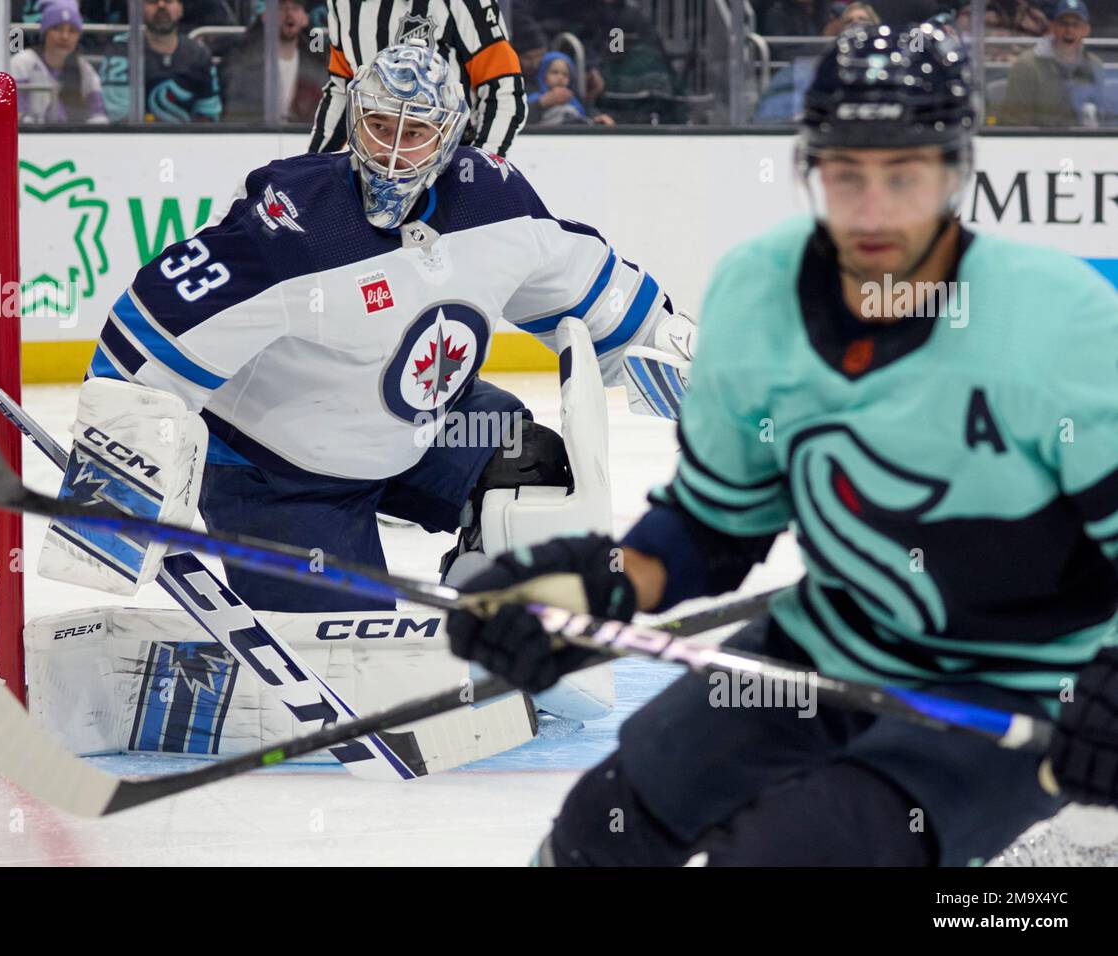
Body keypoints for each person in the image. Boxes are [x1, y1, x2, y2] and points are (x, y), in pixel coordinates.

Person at [446, 21, 1118, 865]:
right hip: (832, 641)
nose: (871, 211)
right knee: (600, 829)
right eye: (846, 174)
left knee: (789, 853)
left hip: (1013, 688)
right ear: (813, 171)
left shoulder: (1059, 325)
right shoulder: (758, 294)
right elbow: (712, 531)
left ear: (955, 175)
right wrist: (592, 590)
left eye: (903, 175)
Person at [50, 40, 692, 696]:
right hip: (277, 476)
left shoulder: (492, 199)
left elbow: (592, 289)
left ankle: (490, 611)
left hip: (420, 434)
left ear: (449, 138)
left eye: (414, 132)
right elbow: (150, 328)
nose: (391, 152)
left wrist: (684, 361)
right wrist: (119, 478)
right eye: (379, 125)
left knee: (530, 467)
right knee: (356, 675)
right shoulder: (291, 219)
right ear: (354, 118)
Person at [308, 1, 526, 158]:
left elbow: (504, 92)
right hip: (374, 156)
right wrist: (313, 168)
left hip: (448, 160)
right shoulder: (342, 4)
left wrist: (480, 167)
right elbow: (343, 88)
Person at [99, 0, 221, 122]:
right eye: (152, 2)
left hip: (188, 139)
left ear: (180, 9)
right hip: (137, 139)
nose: (161, 6)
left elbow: (208, 114)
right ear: (140, 11)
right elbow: (119, 117)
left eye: (168, 1)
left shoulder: (199, 53)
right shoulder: (121, 51)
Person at [219, 0, 327, 125]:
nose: (289, 14)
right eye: (281, 8)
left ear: (305, 19)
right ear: (265, 16)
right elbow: (234, 115)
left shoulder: (319, 67)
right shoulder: (239, 64)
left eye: (295, 8)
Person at [998, 0, 1104, 127]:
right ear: (1052, 27)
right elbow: (1013, 122)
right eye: (1063, 24)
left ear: (1086, 30)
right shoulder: (1026, 65)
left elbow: (1102, 115)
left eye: (1076, 25)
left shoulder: (1095, 65)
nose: (1069, 30)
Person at [10, 1, 109, 124]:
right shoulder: (22, 62)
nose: (65, 36)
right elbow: (13, 115)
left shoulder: (84, 69)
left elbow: (98, 114)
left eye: (72, 31)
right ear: (45, 31)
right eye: (57, 29)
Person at [527, 51, 613, 126]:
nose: (560, 77)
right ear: (542, 75)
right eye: (554, 72)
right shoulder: (534, 98)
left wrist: (596, 121)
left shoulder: (576, 101)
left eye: (565, 74)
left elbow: (584, 119)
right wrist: (541, 103)